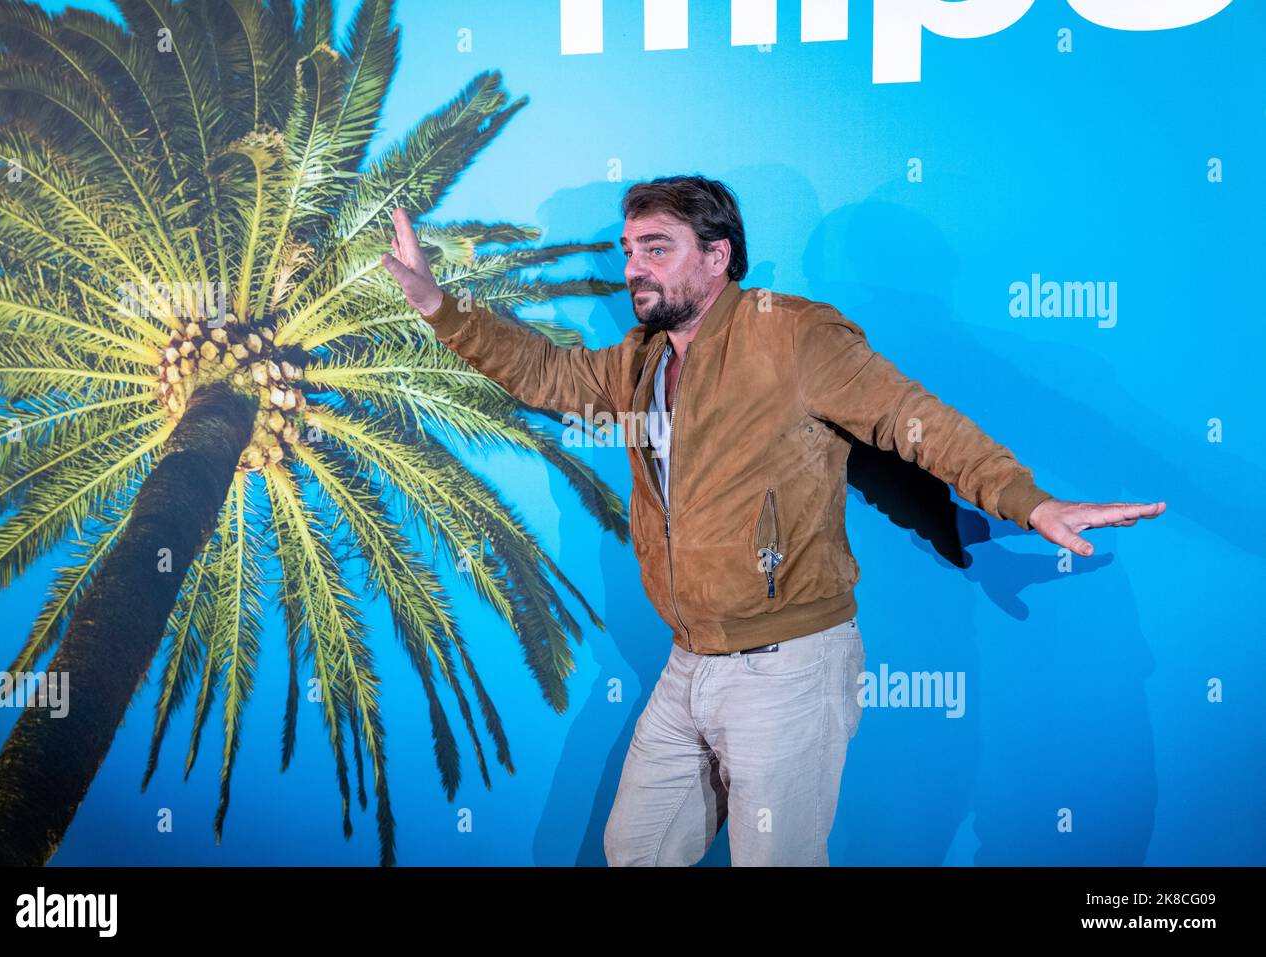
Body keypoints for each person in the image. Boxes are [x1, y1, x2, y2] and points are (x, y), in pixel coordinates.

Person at [380, 175, 1165, 866]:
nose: (632, 270)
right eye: (628, 250)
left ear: (717, 256)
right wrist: (436, 306)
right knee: (636, 848)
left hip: (787, 663)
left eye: (657, 248)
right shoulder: (642, 360)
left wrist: (1030, 500)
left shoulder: (791, 334)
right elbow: (546, 372)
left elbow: (910, 418)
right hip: (689, 659)